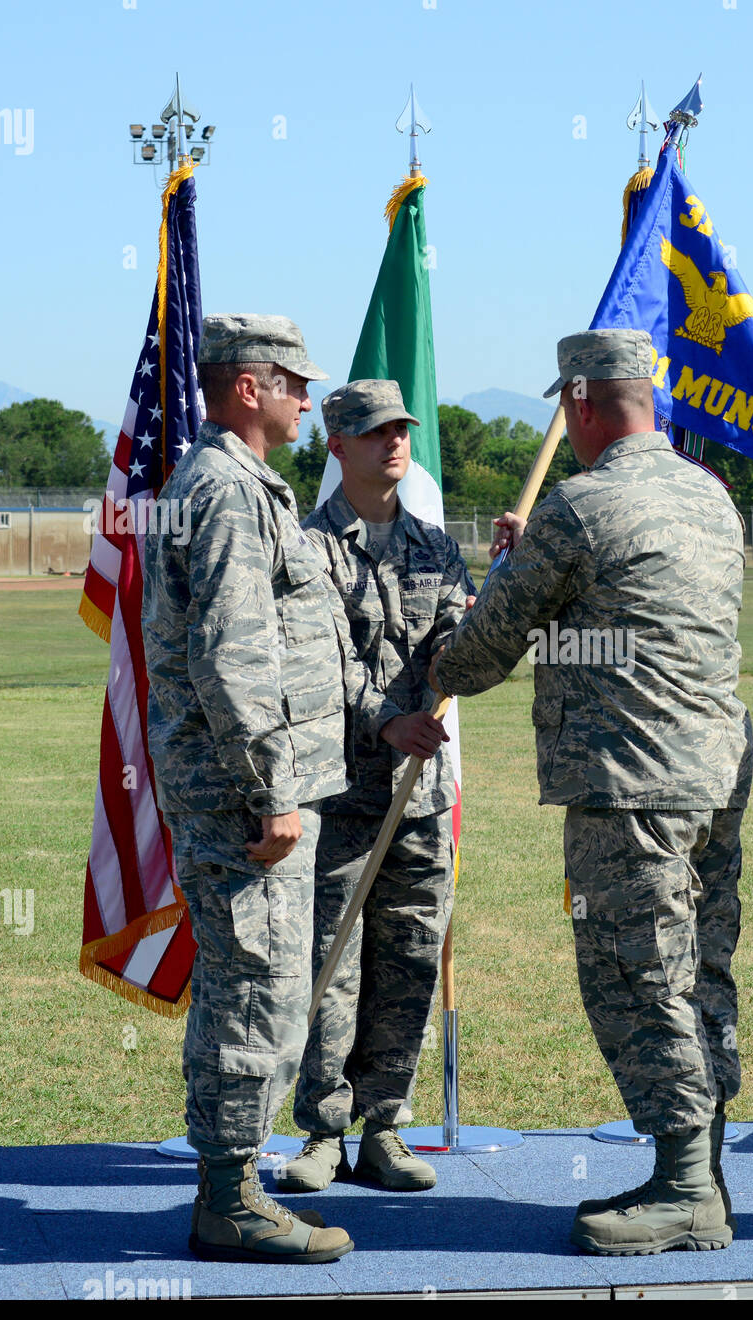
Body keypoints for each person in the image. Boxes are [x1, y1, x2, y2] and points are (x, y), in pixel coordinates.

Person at [428, 329, 753, 1257]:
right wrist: (544, 566)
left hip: (631, 780)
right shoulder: (711, 499)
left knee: (636, 970)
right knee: (699, 969)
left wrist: (443, 646)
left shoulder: (579, 506)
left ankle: (686, 1188)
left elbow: (485, 652)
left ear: (579, 403)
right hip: (715, 771)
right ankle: (701, 1165)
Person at [143, 313, 370, 1263]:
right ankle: (230, 1201)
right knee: (255, 991)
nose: (311, 400)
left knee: (260, 987)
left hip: (257, 789)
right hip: (245, 799)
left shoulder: (244, 486)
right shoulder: (229, 492)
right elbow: (232, 658)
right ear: (250, 386)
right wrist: (274, 788)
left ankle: (227, 1187)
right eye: (296, 383)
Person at [276, 380, 473, 1195]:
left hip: (420, 797)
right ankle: (324, 1130)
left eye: (400, 429)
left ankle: (385, 1127)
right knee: (334, 962)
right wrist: (385, 718)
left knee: (410, 961)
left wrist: (475, 632)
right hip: (340, 797)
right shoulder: (308, 547)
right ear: (337, 446)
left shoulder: (436, 546)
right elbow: (314, 659)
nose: (394, 443)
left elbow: (460, 643)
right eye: (374, 431)